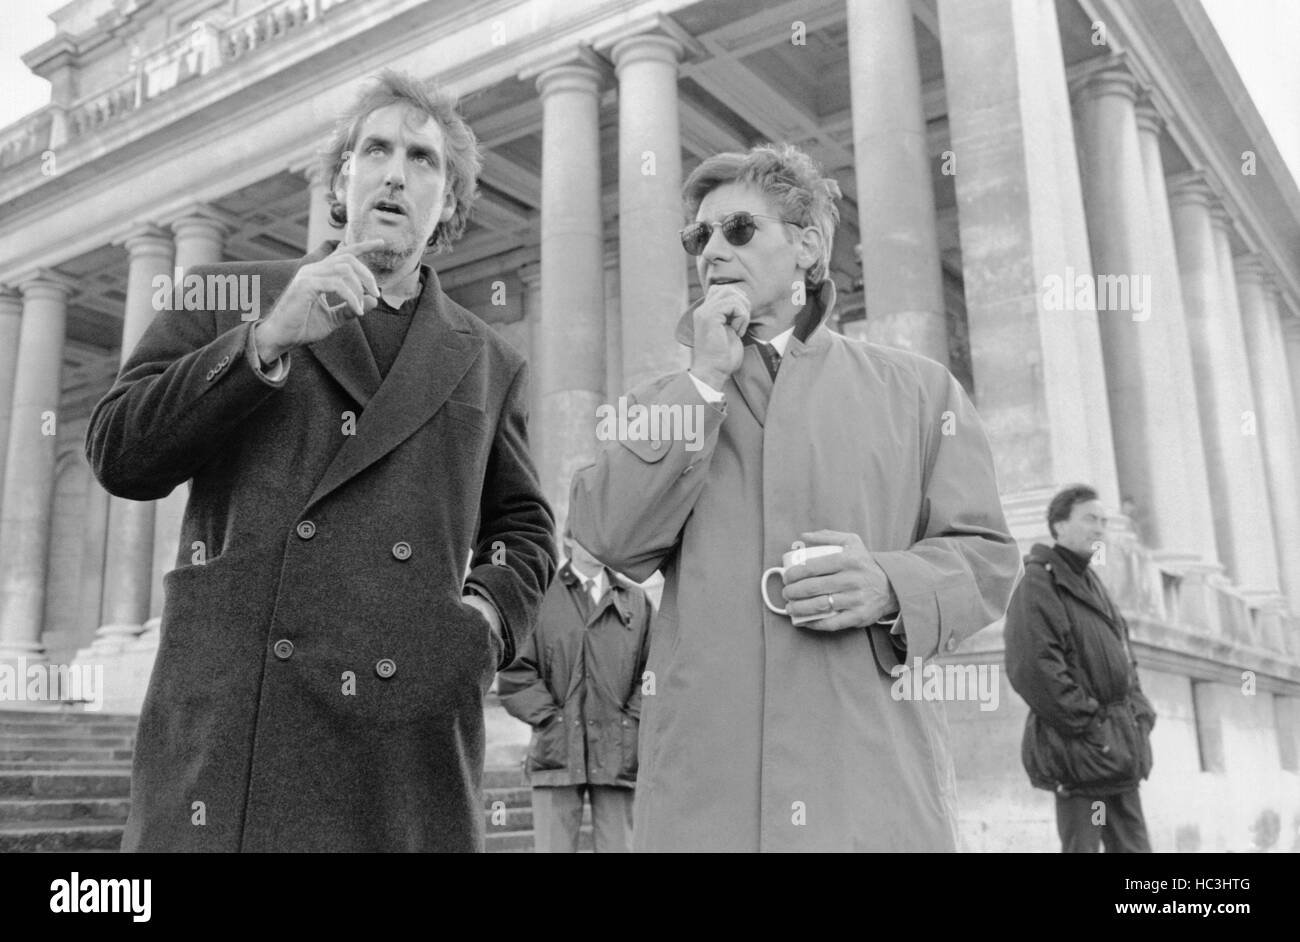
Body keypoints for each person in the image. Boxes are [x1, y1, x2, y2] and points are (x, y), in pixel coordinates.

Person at [85, 70, 556, 852]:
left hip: (403, 732)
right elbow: (119, 452)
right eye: (375, 149)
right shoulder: (228, 295)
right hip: (238, 724)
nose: (396, 172)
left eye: (423, 159)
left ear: (449, 206)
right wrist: (261, 343)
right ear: (341, 181)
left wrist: (480, 623)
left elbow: (525, 526)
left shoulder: (489, 360)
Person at [567, 142, 1020, 852]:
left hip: (868, 787)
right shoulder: (663, 399)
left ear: (808, 245)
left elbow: (988, 558)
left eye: (738, 229)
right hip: (704, 798)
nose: (712, 248)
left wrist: (892, 584)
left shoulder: (921, 391)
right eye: (700, 236)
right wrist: (705, 383)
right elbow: (607, 538)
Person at [1004, 484, 1157, 853]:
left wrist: (1139, 714)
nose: (1100, 528)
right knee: (1084, 848)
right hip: (1082, 755)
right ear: (1058, 526)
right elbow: (1035, 670)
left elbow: (1124, 656)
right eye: (1090, 518)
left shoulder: (1088, 579)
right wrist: (1091, 727)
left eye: (1104, 520)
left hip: (1118, 750)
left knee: (1134, 850)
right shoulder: (1039, 581)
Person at [497, 530, 652, 852]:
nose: (595, 542)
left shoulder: (636, 600)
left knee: (620, 847)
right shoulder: (539, 596)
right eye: (586, 533)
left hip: (617, 750)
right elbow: (515, 672)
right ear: (568, 540)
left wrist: (632, 720)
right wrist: (550, 721)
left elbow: (654, 672)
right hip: (557, 748)